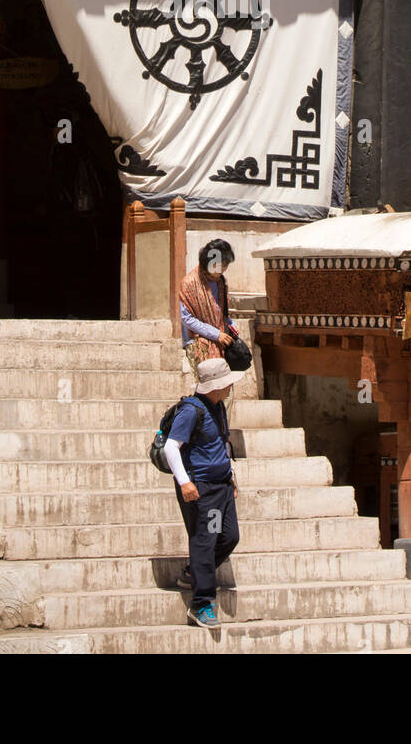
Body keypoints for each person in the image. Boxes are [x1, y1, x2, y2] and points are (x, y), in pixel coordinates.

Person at [163, 356, 245, 629]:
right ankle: (201, 604)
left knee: (230, 536)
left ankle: (194, 572)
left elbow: (221, 443)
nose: (230, 387)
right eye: (226, 384)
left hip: (221, 485)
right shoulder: (191, 411)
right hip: (202, 489)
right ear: (213, 386)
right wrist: (185, 482)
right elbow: (171, 448)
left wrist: (230, 476)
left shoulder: (218, 407)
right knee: (205, 541)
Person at [179, 238, 239, 383]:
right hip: (198, 344)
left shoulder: (221, 282)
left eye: (226, 265)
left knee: (225, 391)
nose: (225, 269)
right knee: (209, 389)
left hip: (222, 344)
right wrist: (215, 334)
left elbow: (221, 313)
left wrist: (231, 325)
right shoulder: (190, 283)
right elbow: (187, 318)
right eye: (223, 265)